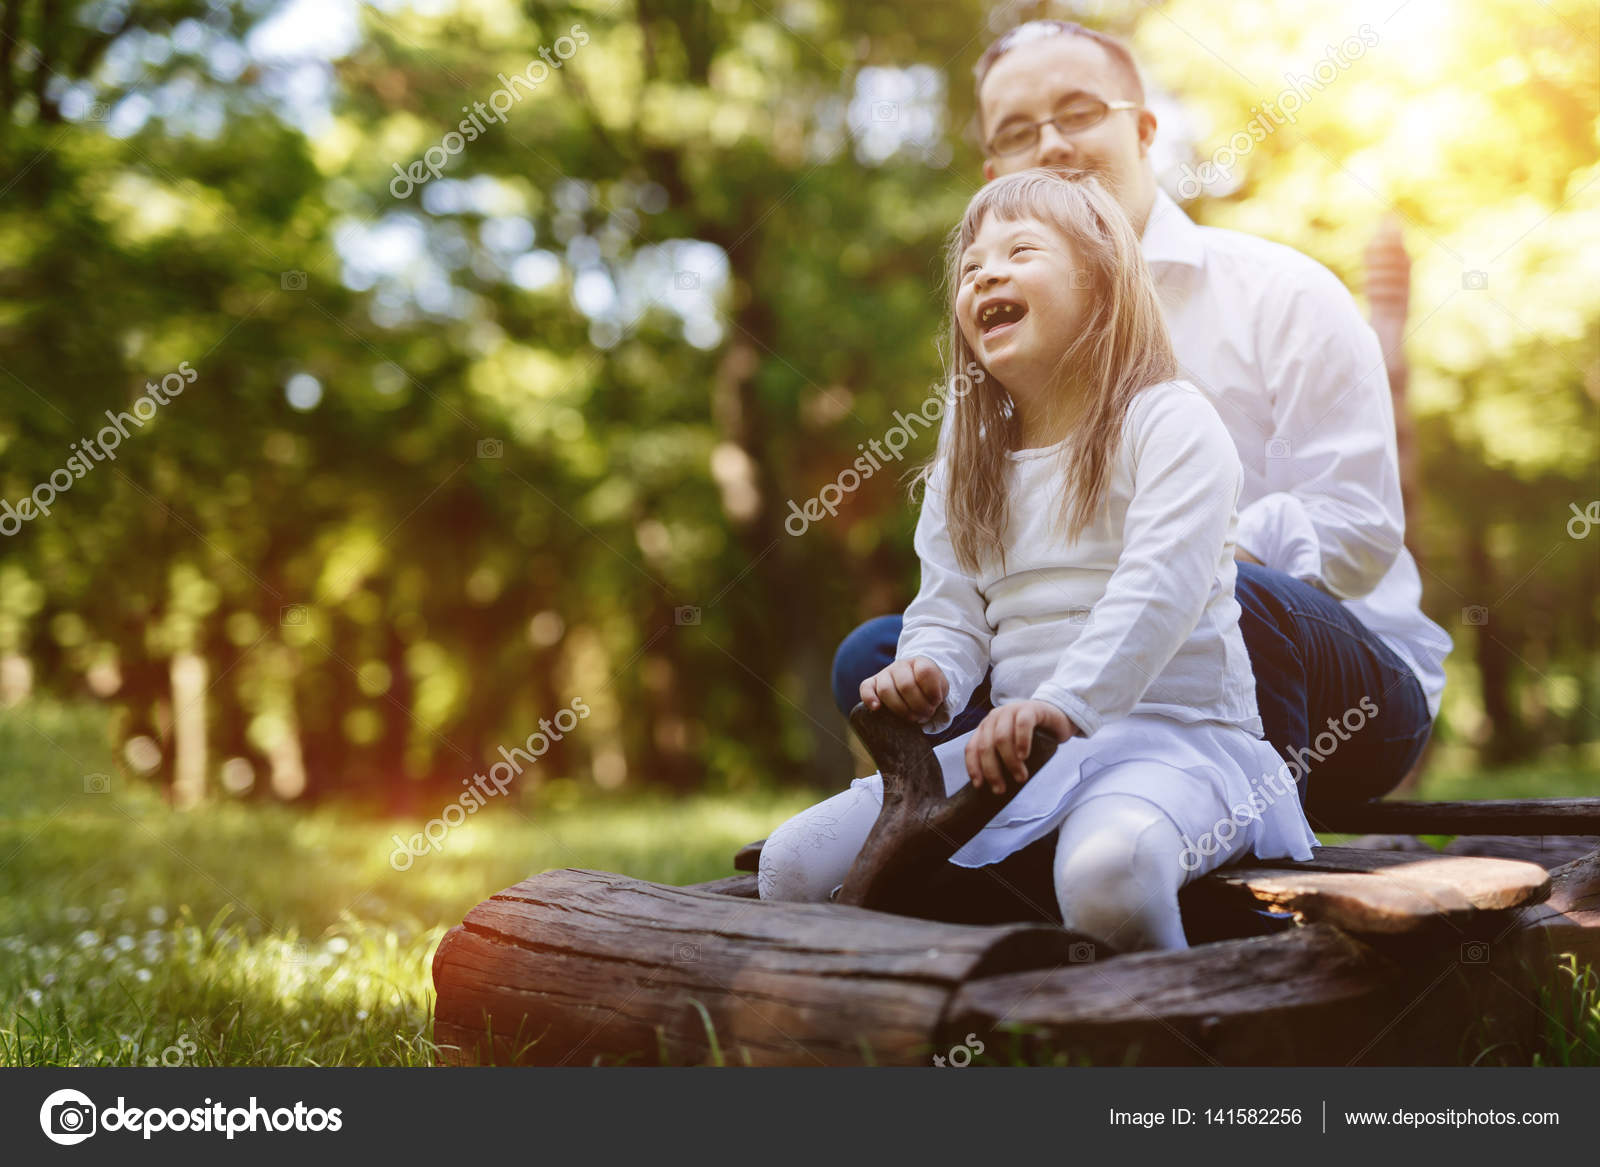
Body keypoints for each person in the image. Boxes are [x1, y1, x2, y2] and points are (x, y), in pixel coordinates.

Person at [831, 21, 1451, 817]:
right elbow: (973, 578)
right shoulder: (1006, 357)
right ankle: (1030, 818)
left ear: (1145, 128)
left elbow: (1364, 533)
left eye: (1079, 112)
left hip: (1339, 688)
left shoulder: (1282, 293)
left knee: (1223, 592)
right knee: (880, 660)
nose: (1051, 145)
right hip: (1083, 662)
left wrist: (1187, 547)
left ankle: (1232, 844)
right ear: (995, 173)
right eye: (1019, 133)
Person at [758, 172, 1317, 953]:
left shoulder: (1170, 419)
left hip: (1178, 739)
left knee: (1108, 875)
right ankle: (876, 1027)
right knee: (791, 865)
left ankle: (1164, 1041)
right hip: (1025, 748)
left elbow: (1160, 587)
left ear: (1101, 283)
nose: (986, 272)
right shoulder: (969, 460)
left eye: (1022, 250)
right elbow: (950, 611)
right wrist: (930, 674)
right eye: (971, 265)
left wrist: (1062, 703)